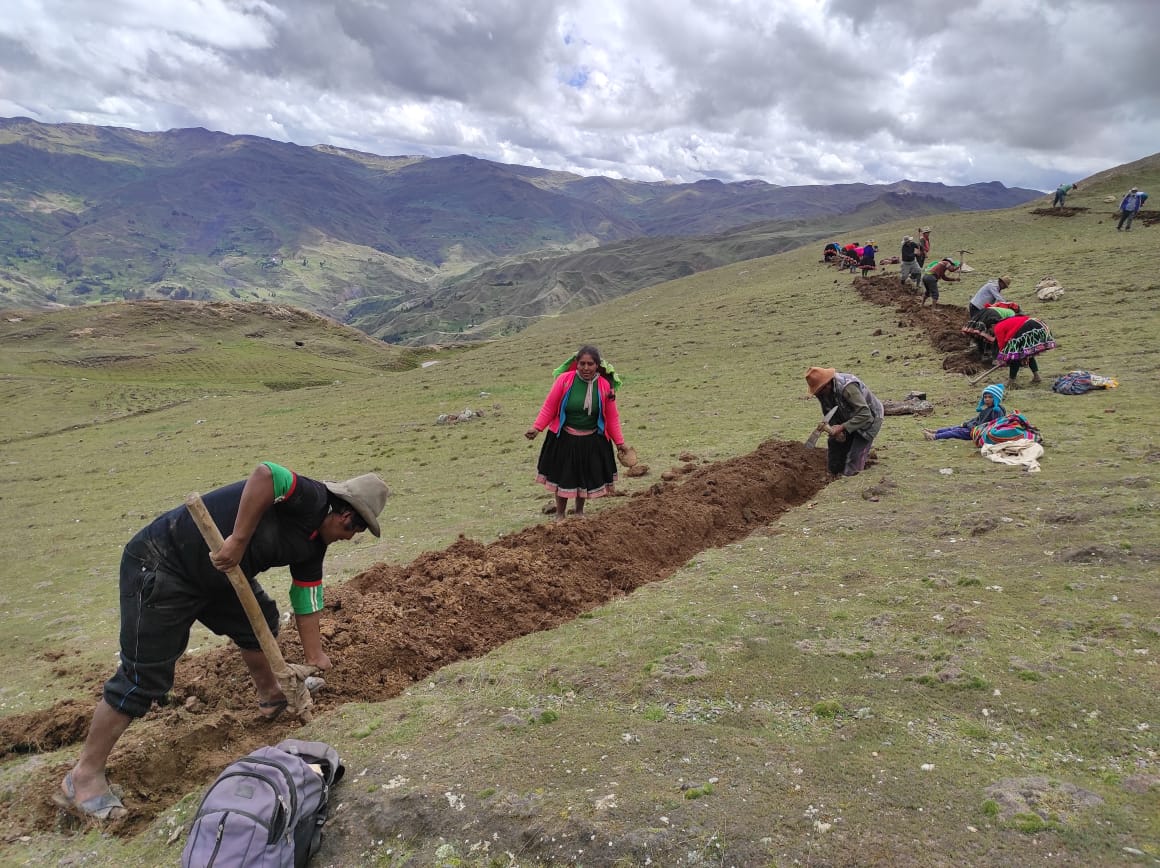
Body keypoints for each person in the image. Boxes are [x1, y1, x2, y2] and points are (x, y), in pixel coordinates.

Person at [57, 463, 389, 820]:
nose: (351, 536)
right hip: (162, 564)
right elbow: (266, 474)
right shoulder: (311, 497)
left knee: (258, 620)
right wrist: (239, 539)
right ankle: (84, 778)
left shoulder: (313, 547)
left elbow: (307, 597)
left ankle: (272, 696)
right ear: (342, 512)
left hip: (217, 576)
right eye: (354, 526)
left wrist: (315, 654)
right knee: (143, 678)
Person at [525, 345, 631, 521]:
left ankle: (579, 512)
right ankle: (560, 514)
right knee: (562, 476)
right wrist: (536, 428)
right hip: (564, 438)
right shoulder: (564, 380)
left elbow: (611, 418)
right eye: (582, 363)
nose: (586, 368)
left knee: (584, 476)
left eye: (590, 364)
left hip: (591, 440)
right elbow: (550, 406)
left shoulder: (605, 387)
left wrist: (620, 443)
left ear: (597, 365)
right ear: (577, 363)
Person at [805, 366, 884, 478]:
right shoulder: (823, 393)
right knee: (834, 445)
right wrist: (836, 431)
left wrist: (842, 427)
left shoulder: (847, 387)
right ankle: (833, 476)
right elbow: (829, 411)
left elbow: (865, 414)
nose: (818, 394)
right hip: (847, 417)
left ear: (826, 385)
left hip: (869, 419)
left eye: (819, 391)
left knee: (854, 459)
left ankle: (851, 477)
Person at [923, 384, 1006, 441]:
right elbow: (977, 419)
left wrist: (971, 427)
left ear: (996, 399)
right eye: (985, 397)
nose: (987, 399)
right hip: (974, 428)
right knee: (955, 427)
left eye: (990, 397)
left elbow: (993, 425)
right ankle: (936, 431)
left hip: (978, 432)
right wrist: (967, 423)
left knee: (956, 432)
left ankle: (934, 437)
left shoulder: (996, 411)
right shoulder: (987, 409)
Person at [994, 313, 1056, 386]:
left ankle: (1011, 381)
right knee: (1027, 354)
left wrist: (1002, 357)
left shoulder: (997, 326)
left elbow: (1001, 344)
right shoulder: (1007, 321)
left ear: (992, 325)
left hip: (1027, 327)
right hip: (1038, 323)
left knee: (1014, 356)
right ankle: (1037, 376)